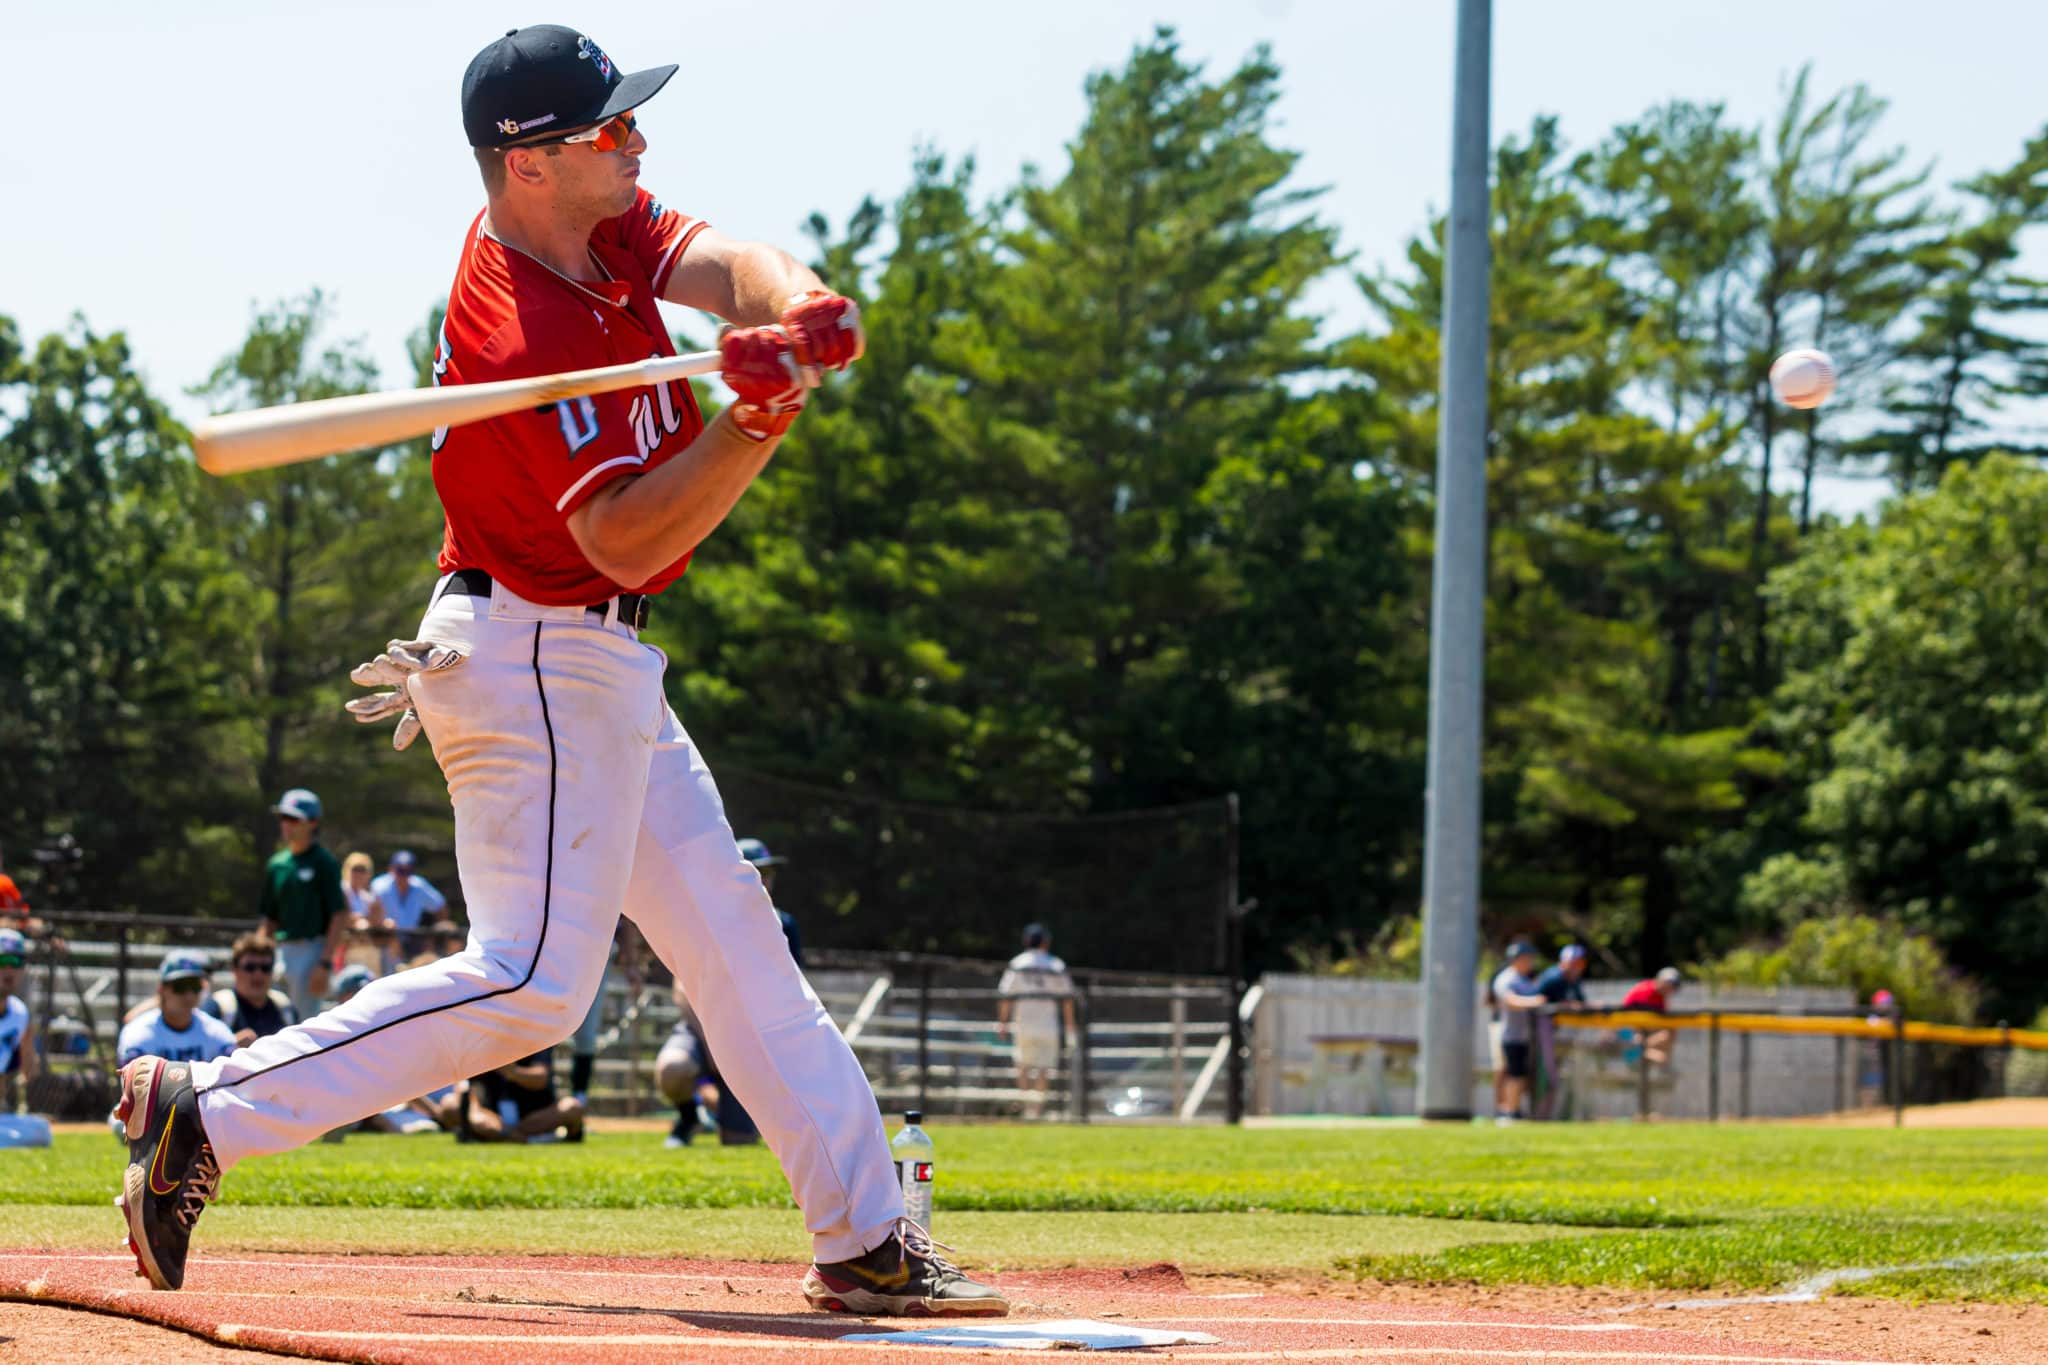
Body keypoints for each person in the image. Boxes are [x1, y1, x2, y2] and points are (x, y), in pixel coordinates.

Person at [114, 24, 1004, 1317]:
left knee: (738, 946)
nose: (636, 141)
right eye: (608, 128)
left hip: (591, 659)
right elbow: (625, 535)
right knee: (533, 979)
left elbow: (732, 264)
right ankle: (209, 1105)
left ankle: (865, 1236)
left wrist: (799, 311)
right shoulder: (521, 328)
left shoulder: (599, 226)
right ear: (528, 162)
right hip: (532, 650)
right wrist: (757, 421)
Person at [258, 787, 348, 1018]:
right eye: (283, 817)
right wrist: (258, 955)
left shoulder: (324, 862)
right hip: (278, 951)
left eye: (294, 819)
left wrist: (324, 963)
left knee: (302, 1022)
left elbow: (339, 914)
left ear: (313, 822)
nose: (286, 824)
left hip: (311, 951)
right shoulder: (277, 864)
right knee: (271, 1020)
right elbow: (269, 918)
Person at [996, 923, 1078, 1119]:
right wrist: (1070, 1026)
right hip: (1048, 1025)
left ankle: (1026, 1108)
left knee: (1022, 1066)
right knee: (1044, 1068)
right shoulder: (1055, 965)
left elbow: (1006, 995)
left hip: (1023, 1023)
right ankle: (1036, 1110)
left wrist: (1003, 1022)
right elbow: (1067, 999)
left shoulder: (1017, 963)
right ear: (1045, 942)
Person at [566, 919, 646, 1109]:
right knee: (545, 1029)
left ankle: (579, 1098)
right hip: (558, 948)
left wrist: (631, 964)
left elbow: (626, 918)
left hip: (597, 953)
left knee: (586, 1036)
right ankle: (542, 1102)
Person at [118, 952, 238, 1068]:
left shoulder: (217, 1032)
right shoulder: (138, 1034)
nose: (189, 995)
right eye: (180, 986)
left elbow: (234, 1076)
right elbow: (133, 1080)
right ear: (162, 989)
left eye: (195, 986)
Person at [464, 1046, 584, 1143]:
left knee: (572, 1107)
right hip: (496, 1120)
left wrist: (513, 1073)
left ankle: (511, 1137)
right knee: (469, 1113)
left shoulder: (535, 1041)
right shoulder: (485, 1047)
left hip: (534, 1119)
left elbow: (541, 1078)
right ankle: (522, 1138)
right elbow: (473, 1092)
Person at [201, 933, 300, 1048]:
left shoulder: (285, 1008)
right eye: (250, 967)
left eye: (265, 968)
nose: (258, 974)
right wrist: (230, 1045)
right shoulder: (218, 1007)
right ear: (235, 970)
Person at [1529, 944, 1588, 1120]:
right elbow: (1537, 1001)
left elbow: (1580, 1002)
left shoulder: (1575, 981)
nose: (1575, 967)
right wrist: (1566, 1006)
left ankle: (1545, 1115)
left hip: (1562, 1035)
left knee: (1555, 1076)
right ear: (1563, 962)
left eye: (1579, 963)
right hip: (1543, 1033)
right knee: (1547, 1075)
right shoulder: (1552, 978)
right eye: (1572, 963)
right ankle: (1538, 1115)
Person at [1489, 942, 1547, 1122]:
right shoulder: (1506, 979)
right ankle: (1508, 1111)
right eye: (1527, 958)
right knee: (1512, 1073)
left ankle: (1514, 1108)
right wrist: (1533, 1001)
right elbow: (1509, 1000)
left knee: (1521, 1074)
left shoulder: (1525, 979)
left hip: (1525, 1035)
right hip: (1510, 1034)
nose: (1530, 962)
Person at [369, 850, 448, 961]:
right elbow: (370, 913)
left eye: (408, 871)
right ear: (391, 869)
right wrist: (383, 925)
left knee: (449, 929)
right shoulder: (379, 887)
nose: (404, 875)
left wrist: (432, 937)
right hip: (384, 938)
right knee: (390, 929)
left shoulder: (419, 886)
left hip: (413, 938)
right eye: (400, 870)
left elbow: (440, 906)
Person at [0, 929, 37, 1111]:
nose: (9, 970)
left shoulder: (19, 1013)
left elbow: (28, 1069)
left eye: (16, 962)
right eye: (2, 961)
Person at [1619, 966, 1684, 1066]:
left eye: (1674, 987)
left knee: (1670, 1034)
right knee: (1661, 1059)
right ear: (1661, 980)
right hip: (1627, 1034)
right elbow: (1624, 1015)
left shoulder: (1662, 999)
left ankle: (1641, 1049)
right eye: (1670, 984)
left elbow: (1664, 1027)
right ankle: (1638, 1052)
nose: (1671, 989)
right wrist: (1635, 1034)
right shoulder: (1643, 990)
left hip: (1643, 1038)